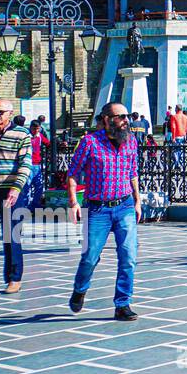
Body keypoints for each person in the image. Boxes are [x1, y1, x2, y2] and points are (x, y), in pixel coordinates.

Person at [66, 102, 141, 321]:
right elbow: (73, 174)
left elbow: (133, 173)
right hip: (97, 209)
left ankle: (122, 304)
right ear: (107, 119)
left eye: (127, 116)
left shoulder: (131, 142)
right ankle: (80, 289)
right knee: (90, 257)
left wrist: (137, 201)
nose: (126, 120)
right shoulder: (89, 143)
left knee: (128, 256)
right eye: (121, 117)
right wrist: (73, 202)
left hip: (125, 206)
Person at [0, 100, 32, 295]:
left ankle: (14, 279)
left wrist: (16, 187)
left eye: (0, 112)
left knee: (10, 236)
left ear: (10, 113)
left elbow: (25, 163)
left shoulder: (22, 134)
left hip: (10, 191)